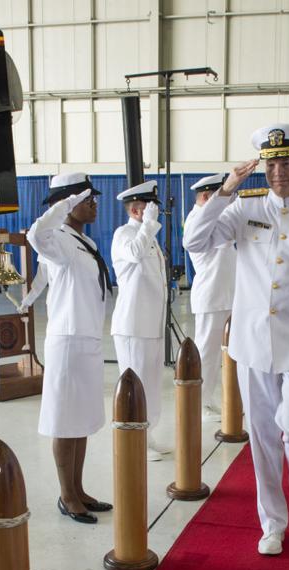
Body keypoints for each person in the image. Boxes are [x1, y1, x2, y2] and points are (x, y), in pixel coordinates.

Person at [182, 124, 289, 556]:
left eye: (286, 163)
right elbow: (194, 240)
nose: (278, 172)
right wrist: (225, 191)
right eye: (271, 164)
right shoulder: (244, 208)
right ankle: (272, 522)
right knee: (261, 436)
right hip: (253, 342)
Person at [22, 174, 112, 523]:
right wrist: (63, 207)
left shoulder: (81, 240)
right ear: (68, 203)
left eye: (94, 199)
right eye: (88, 199)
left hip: (87, 338)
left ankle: (79, 488)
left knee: (82, 419)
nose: (95, 205)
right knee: (64, 420)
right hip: (68, 341)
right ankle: (66, 495)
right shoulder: (56, 238)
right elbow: (35, 235)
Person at [110, 179, 171, 460]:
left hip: (152, 323)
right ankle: (134, 441)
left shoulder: (149, 237)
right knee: (135, 385)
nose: (154, 213)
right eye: (149, 207)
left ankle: (147, 434)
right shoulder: (124, 234)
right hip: (133, 324)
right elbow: (134, 254)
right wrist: (148, 224)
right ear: (136, 211)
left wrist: (148, 227)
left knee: (152, 384)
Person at [184, 173, 237, 420]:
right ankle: (198, 404)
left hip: (225, 295)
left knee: (221, 355)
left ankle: (209, 398)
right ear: (207, 197)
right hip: (211, 297)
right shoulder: (197, 220)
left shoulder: (214, 218)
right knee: (206, 354)